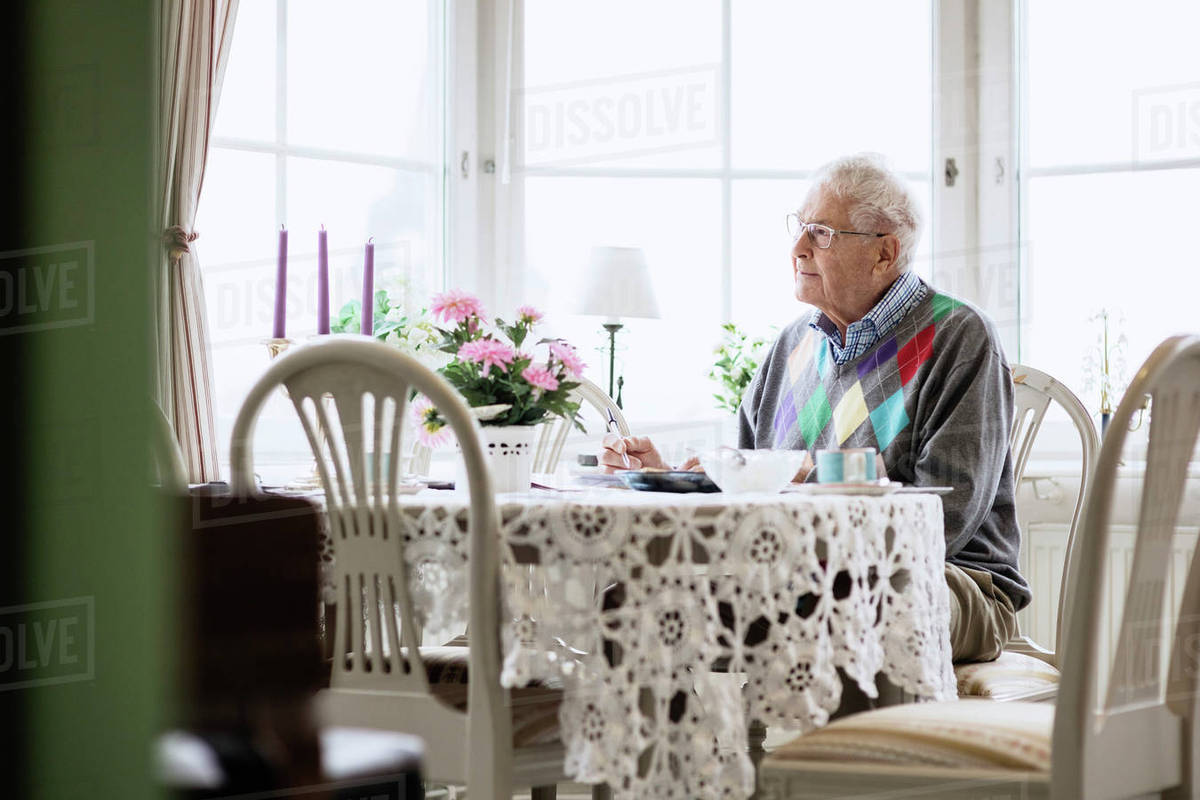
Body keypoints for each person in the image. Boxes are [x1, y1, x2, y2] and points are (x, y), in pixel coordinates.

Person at [601, 153, 1028, 664]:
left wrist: (816, 479)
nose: (797, 248)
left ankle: (850, 747)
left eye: (821, 233)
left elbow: (946, 517)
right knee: (633, 603)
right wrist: (673, 479)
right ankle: (687, 747)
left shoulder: (959, 336)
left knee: (838, 602)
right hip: (799, 573)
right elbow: (743, 486)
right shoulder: (791, 346)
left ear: (884, 253)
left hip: (948, 582)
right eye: (801, 228)